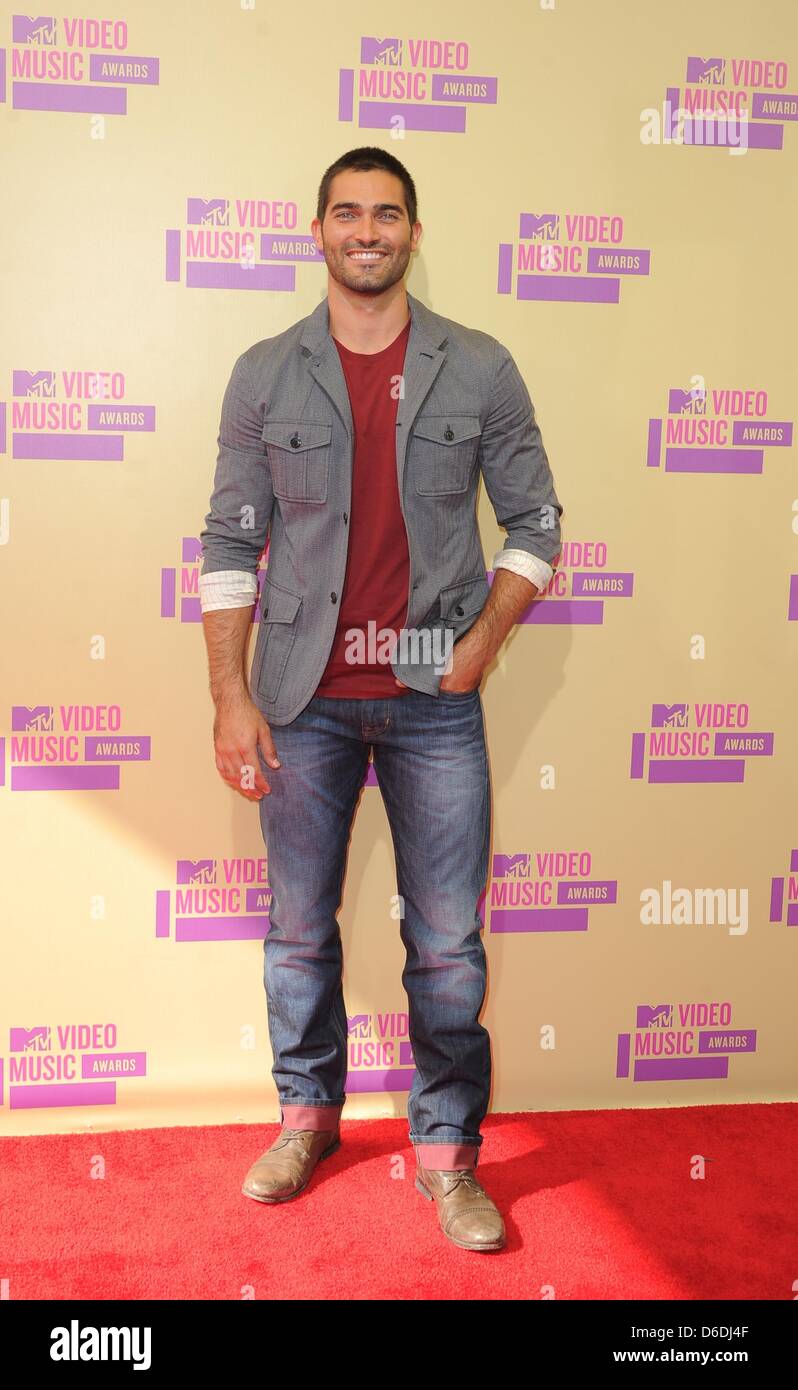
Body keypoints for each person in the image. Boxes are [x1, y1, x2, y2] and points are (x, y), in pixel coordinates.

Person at [198, 146, 563, 1253]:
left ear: (414, 231)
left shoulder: (480, 365)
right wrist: (229, 694)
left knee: (447, 942)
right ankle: (305, 1120)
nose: (369, 231)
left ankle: (449, 1155)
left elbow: (538, 525)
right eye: (348, 213)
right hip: (299, 695)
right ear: (318, 231)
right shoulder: (263, 372)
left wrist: (481, 644)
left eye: (388, 214)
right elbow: (230, 539)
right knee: (300, 932)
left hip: (429, 688)